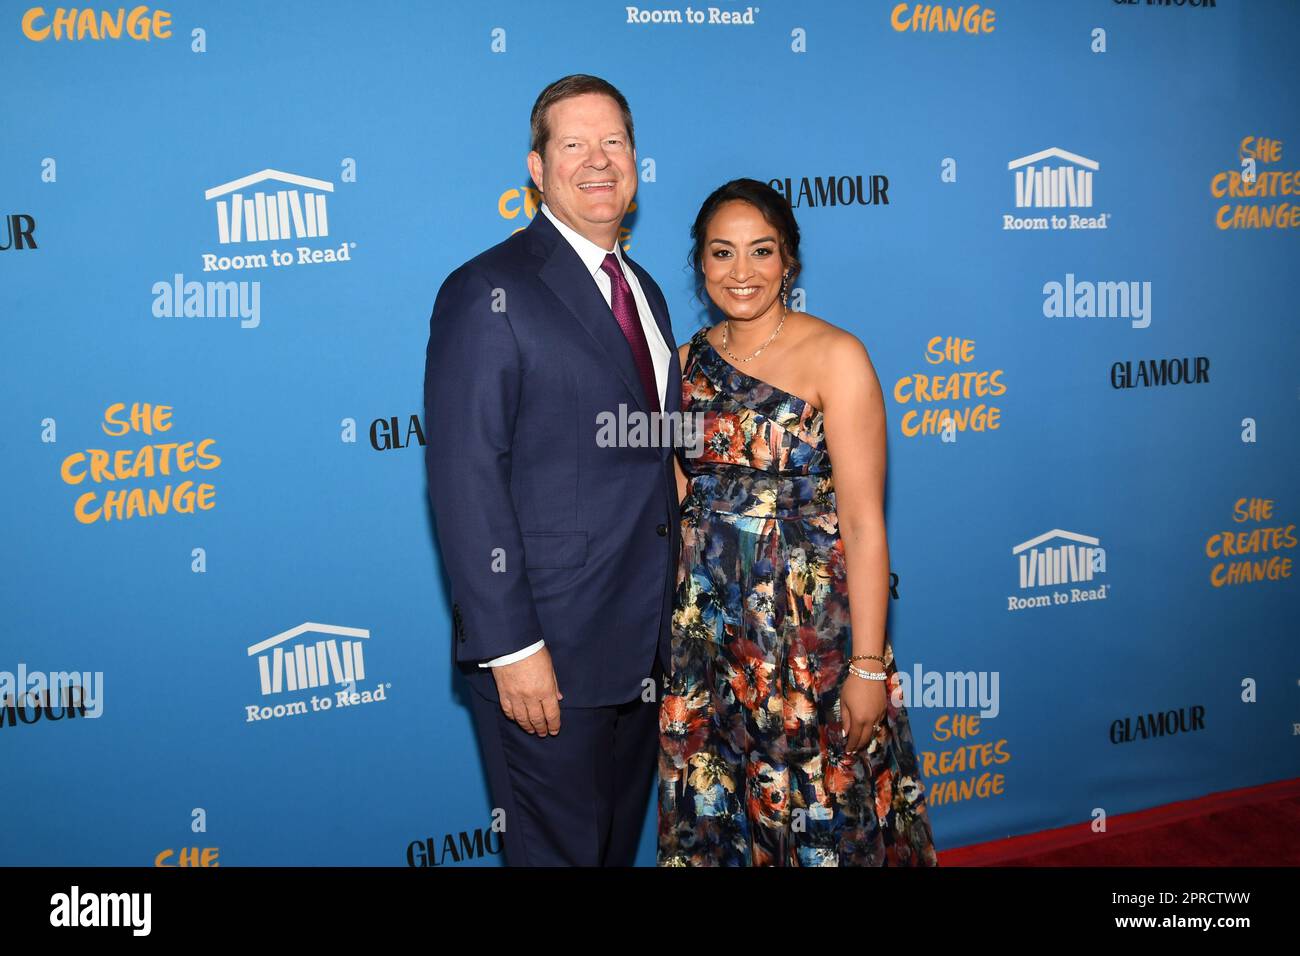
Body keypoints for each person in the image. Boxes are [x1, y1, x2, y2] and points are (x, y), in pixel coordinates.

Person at [424, 75, 679, 866]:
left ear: (636, 162)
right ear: (536, 168)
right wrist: (511, 648)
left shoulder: (648, 291)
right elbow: (465, 477)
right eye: (573, 144)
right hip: (550, 654)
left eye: (614, 143)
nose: (598, 161)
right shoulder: (486, 289)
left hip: (645, 647)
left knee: (605, 854)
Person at [657, 178, 939, 866]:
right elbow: (676, 497)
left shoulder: (837, 357)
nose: (741, 272)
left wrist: (868, 666)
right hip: (707, 640)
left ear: (790, 261)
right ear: (701, 263)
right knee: (714, 807)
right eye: (722, 253)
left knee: (819, 817)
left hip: (807, 641)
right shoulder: (685, 363)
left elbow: (866, 525)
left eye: (761, 251)